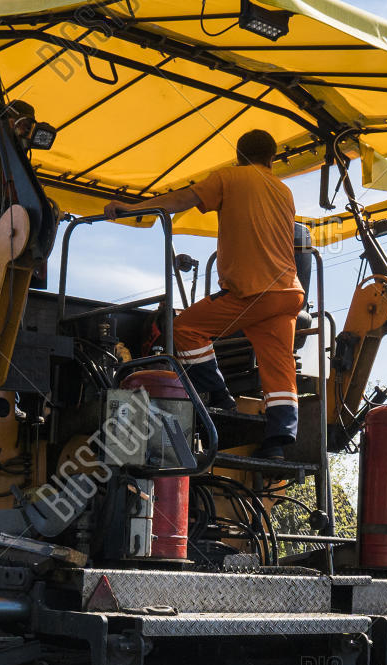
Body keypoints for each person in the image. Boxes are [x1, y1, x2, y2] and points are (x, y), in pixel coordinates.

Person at [103, 128, 303, 459]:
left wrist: (132, 207)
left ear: (238, 157)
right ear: (272, 159)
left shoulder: (230, 178)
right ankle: (278, 442)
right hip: (287, 294)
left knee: (186, 328)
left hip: (251, 291)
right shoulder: (284, 191)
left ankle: (219, 398)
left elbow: (182, 199)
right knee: (279, 366)